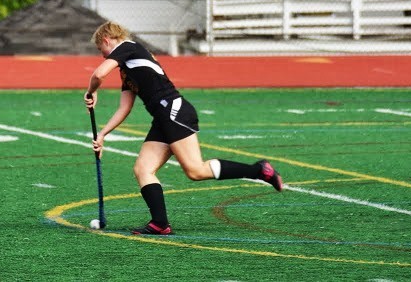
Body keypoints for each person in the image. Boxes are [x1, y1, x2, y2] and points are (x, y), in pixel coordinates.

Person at [83, 21, 283, 235]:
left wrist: (91, 91)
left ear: (106, 40)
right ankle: (160, 223)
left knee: (195, 170)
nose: (102, 55)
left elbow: (99, 75)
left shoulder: (128, 47)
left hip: (174, 112)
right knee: (143, 169)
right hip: (162, 118)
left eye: (100, 49)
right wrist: (103, 134)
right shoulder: (127, 70)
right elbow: (125, 107)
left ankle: (259, 170)